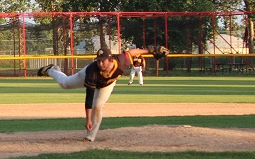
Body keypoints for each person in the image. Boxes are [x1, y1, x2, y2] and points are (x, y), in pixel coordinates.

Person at [37, 46, 165, 142]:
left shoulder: (120, 61)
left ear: (110, 60)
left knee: (98, 106)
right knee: (65, 84)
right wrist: (88, 119)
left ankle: (90, 137)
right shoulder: (92, 71)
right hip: (85, 76)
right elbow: (89, 98)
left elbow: (131, 52)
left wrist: (151, 50)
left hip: (107, 84)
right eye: (98, 60)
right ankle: (52, 70)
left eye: (103, 61)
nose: (100, 63)